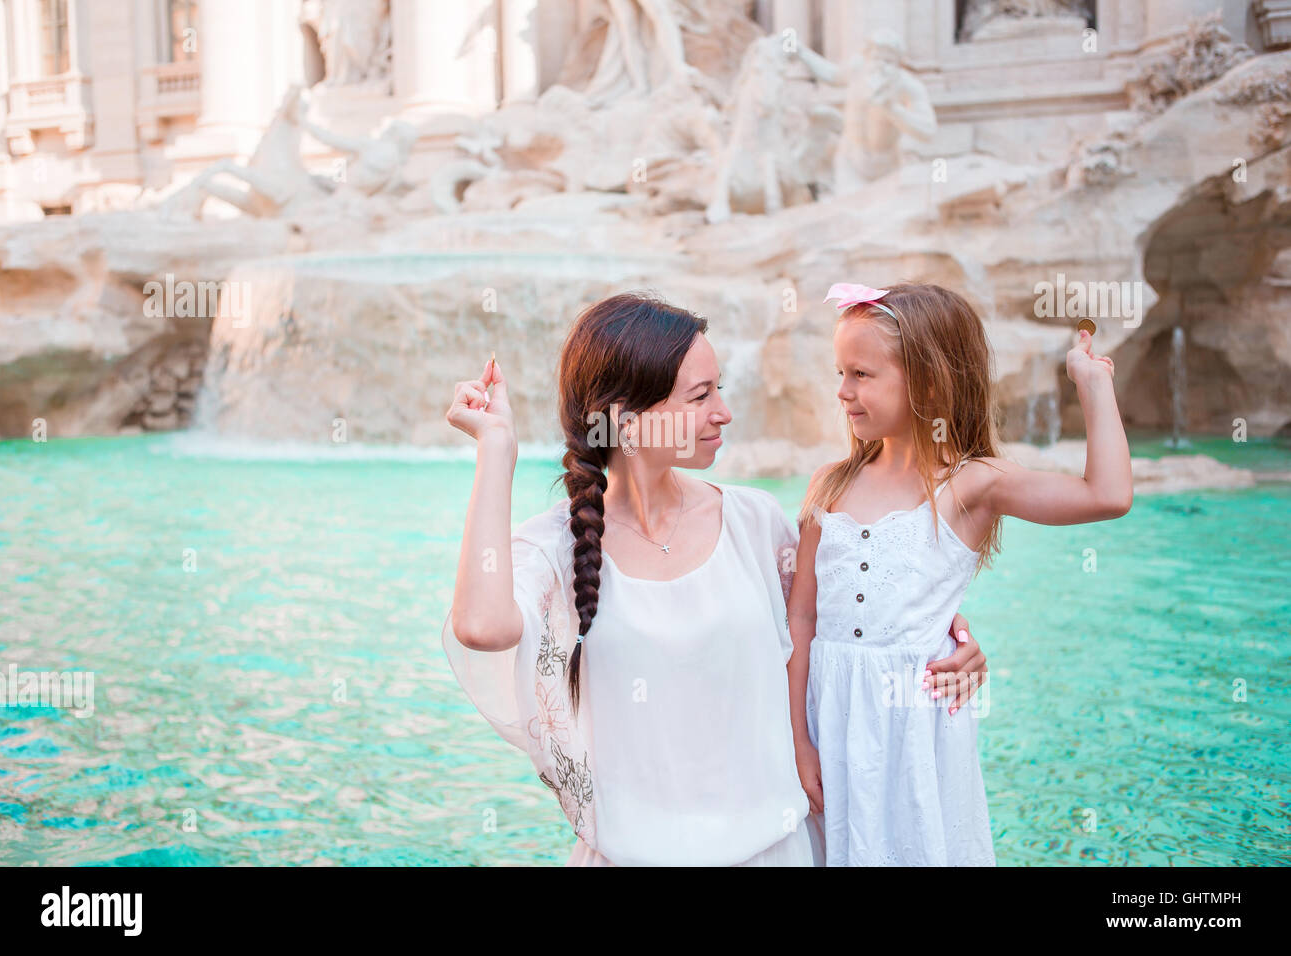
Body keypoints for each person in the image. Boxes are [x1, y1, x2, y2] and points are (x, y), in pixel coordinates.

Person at [442, 291, 990, 865]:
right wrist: (496, 448)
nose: (724, 411)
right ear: (624, 420)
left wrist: (952, 647)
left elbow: (861, 627)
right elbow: (480, 626)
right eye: (701, 395)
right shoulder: (559, 546)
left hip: (773, 851)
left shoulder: (757, 525)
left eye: (720, 388)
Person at [788, 281, 1132, 865]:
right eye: (840, 373)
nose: (843, 392)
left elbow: (1107, 495)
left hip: (913, 725)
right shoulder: (832, 482)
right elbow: (801, 616)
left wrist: (1093, 385)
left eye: (862, 375)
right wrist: (800, 741)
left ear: (926, 380)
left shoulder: (971, 483)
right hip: (831, 716)